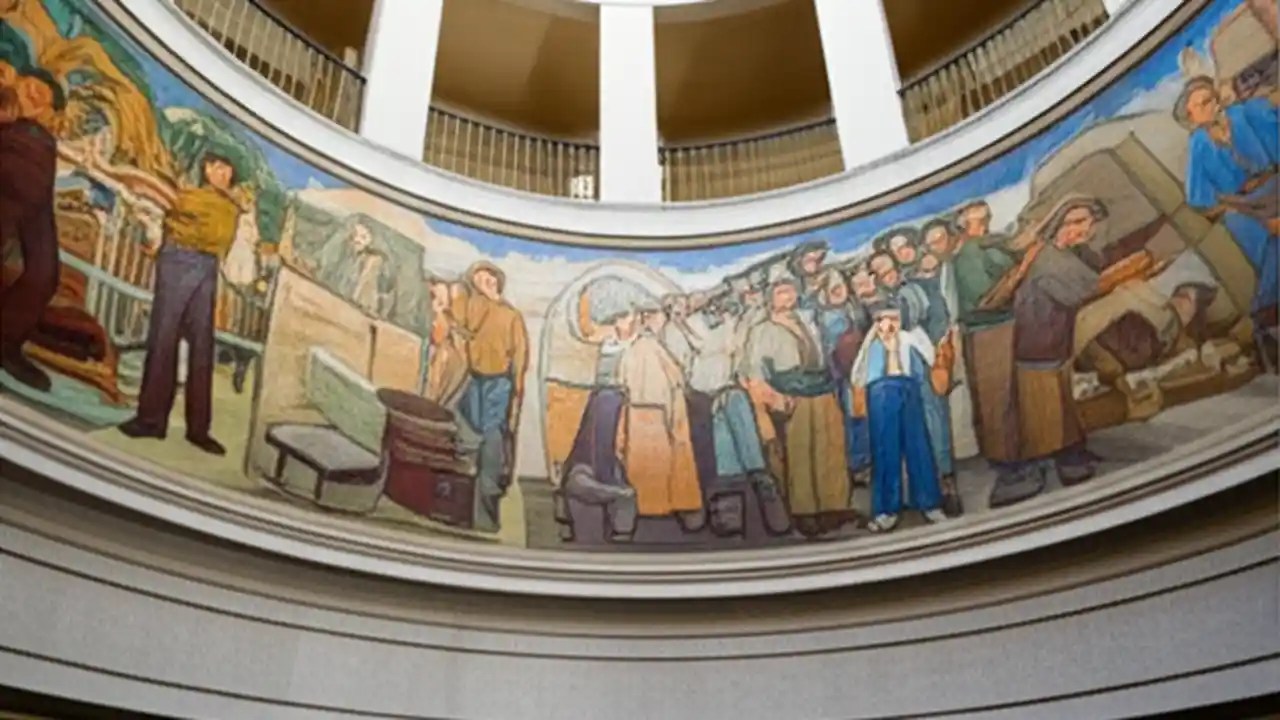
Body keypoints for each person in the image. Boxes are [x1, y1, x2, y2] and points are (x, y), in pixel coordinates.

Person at [118, 153, 246, 454]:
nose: (221, 173)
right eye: (215, 167)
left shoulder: (227, 204)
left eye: (226, 168)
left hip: (205, 266)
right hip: (178, 260)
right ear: (206, 169)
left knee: (202, 347)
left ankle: (198, 429)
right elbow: (166, 205)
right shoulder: (196, 196)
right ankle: (152, 420)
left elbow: (203, 223)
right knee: (164, 339)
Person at [1176, 76, 1279, 369]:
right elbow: (1199, 198)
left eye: (1209, 100)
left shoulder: (1242, 114)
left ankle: (1263, 321)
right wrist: (1241, 209)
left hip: (1274, 185)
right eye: (1198, 106)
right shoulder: (1199, 144)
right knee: (1270, 240)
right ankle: (1265, 320)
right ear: (1191, 117)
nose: (1207, 107)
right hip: (1240, 208)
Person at [743, 279, 853, 537]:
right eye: (781, 292)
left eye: (790, 290)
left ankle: (834, 507)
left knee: (830, 449)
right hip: (791, 393)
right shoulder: (762, 330)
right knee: (800, 454)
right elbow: (753, 371)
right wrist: (775, 399)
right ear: (771, 298)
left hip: (821, 388)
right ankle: (805, 513)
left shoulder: (807, 320)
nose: (787, 296)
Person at [949, 200, 1039, 508]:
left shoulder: (989, 245)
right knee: (996, 401)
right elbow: (987, 300)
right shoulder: (968, 254)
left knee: (1013, 397)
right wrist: (1023, 267)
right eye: (977, 221)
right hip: (988, 334)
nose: (985, 224)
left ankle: (1023, 459)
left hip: (1007, 326)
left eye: (986, 218)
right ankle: (1009, 471)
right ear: (963, 226)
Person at [850, 302, 954, 532]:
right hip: (880, 393)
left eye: (893, 319)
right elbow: (857, 375)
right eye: (881, 320)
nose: (887, 325)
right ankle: (886, 510)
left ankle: (929, 502)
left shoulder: (910, 338)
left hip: (908, 389)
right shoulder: (870, 345)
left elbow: (932, 357)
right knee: (885, 451)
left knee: (919, 446)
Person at [450, 261, 529, 532]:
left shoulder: (511, 316)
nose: (486, 282)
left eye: (489, 277)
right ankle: (462, 505)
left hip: (499, 384)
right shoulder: (473, 306)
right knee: (463, 427)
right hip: (474, 380)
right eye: (480, 279)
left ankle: (486, 515)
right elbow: (458, 323)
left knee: (492, 443)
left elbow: (520, 358)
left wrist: (516, 393)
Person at [0, 70, 65, 391]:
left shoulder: (40, 139)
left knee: (44, 273)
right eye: (29, 90)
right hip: (10, 184)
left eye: (39, 99)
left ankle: (6, 344)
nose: (31, 99)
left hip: (33, 195)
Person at [615, 298, 705, 529]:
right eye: (646, 315)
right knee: (667, 453)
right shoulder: (645, 347)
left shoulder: (656, 343)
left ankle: (659, 505)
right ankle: (670, 505)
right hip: (653, 408)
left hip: (652, 407)